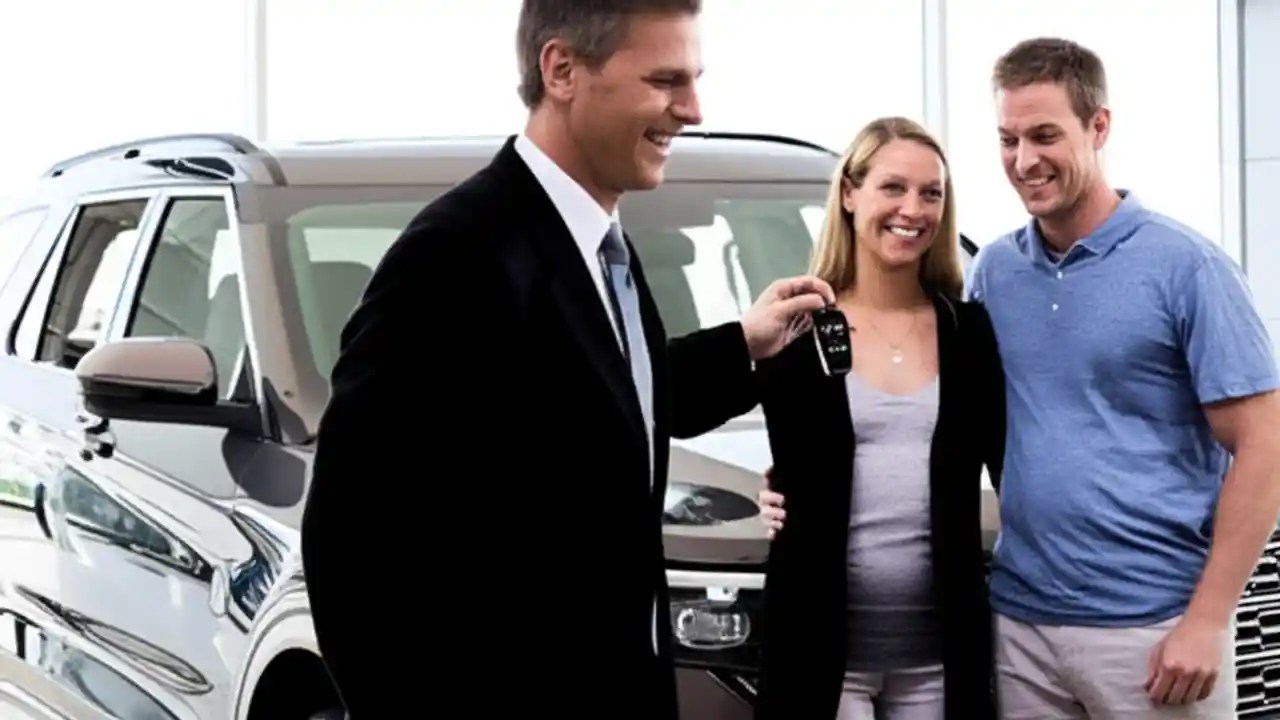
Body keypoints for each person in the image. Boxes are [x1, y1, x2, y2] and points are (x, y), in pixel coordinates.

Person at [298, 1, 834, 718]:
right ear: (561, 70)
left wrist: (744, 344)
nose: (694, 110)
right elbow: (350, 541)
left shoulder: (600, 243)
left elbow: (600, 403)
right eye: (665, 80)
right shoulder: (454, 256)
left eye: (693, 80)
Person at [965, 37, 1280, 718]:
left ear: (1098, 126)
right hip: (1022, 626)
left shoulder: (1187, 267)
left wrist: (1208, 620)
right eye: (1008, 140)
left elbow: (1265, 445)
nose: (1024, 160)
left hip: (1156, 631)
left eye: (1045, 135)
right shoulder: (993, 273)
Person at [750, 116, 1005, 720]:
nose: (912, 209)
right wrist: (771, 492)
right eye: (893, 187)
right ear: (849, 193)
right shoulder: (796, 327)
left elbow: (1017, 462)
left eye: (931, 193)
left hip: (939, 661)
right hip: (824, 663)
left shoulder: (969, 333)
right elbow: (673, 408)